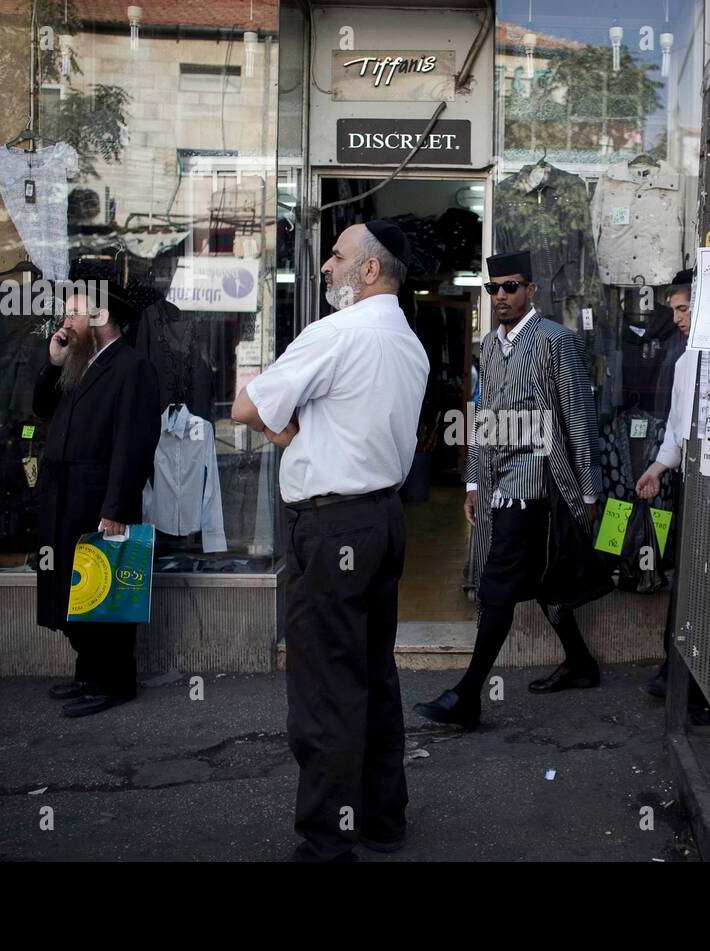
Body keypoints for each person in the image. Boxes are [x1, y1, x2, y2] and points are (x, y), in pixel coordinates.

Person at [232, 220, 428, 862]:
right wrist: (305, 431)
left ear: (370, 271)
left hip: (335, 525)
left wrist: (284, 433)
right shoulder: (410, 344)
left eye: (337, 257)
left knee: (326, 687)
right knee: (373, 672)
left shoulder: (337, 333)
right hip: (382, 520)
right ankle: (381, 818)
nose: (325, 268)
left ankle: (327, 841)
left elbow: (245, 406)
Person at [414, 250, 612, 731]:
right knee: (544, 578)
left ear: (531, 290)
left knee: (498, 583)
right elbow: (482, 419)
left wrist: (588, 491)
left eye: (510, 287)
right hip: (497, 480)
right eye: (493, 289)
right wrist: (475, 480)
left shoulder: (556, 342)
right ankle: (581, 663)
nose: (500, 296)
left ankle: (467, 695)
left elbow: (579, 420)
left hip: (538, 479)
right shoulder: (490, 345)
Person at [35, 287, 161, 718]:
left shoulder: (132, 367)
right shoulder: (77, 360)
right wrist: (52, 364)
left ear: (101, 315)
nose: (66, 320)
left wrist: (116, 509)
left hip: (98, 497)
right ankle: (88, 674)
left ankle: (115, 683)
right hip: (63, 496)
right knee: (73, 594)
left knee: (103, 593)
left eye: (74, 313)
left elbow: (135, 444)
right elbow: (41, 409)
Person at [631, 270, 710, 725]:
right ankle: (676, 670)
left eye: (684, 309)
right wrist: (658, 468)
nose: (678, 319)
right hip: (691, 485)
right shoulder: (685, 361)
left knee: (708, 585)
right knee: (685, 579)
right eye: (675, 310)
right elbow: (678, 430)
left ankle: (700, 683)